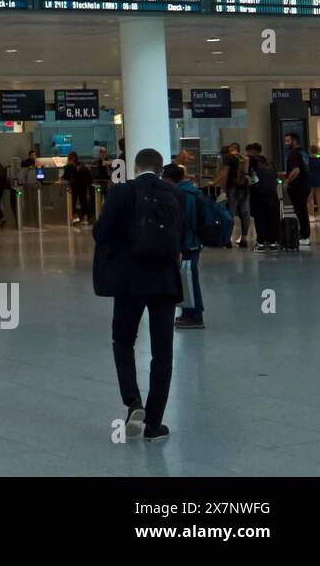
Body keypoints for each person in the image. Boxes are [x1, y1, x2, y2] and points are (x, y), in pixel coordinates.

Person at [93, 147, 185, 442]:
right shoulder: (175, 193)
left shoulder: (122, 192)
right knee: (163, 352)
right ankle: (154, 424)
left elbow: (101, 233)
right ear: (160, 169)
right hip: (164, 283)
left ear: (135, 167)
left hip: (129, 282)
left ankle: (133, 402)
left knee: (123, 339)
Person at [163, 163, 206, 329]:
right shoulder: (190, 191)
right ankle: (189, 312)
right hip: (193, 241)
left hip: (190, 242)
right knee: (188, 279)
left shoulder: (182, 194)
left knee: (190, 279)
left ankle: (195, 316)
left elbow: (183, 221)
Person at [212, 143, 250, 249]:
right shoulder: (244, 158)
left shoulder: (228, 158)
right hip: (244, 188)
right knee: (244, 213)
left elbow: (225, 173)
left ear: (232, 148)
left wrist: (217, 184)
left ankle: (227, 240)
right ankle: (244, 239)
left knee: (230, 213)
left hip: (232, 188)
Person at [245, 142, 280, 251]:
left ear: (252, 151)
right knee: (272, 218)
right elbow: (276, 177)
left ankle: (260, 243)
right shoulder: (269, 162)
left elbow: (251, 178)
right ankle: (273, 242)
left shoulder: (251, 161)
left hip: (258, 194)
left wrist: (248, 181)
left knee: (260, 219)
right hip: (272, 195)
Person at [282, 132, 311, 248]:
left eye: (288, 141)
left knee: (301, 211)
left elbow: (296, 170)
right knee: (302, 210)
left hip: (297, 187)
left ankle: (305, 236)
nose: (285, 144)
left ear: (294, 141)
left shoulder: (293, 154)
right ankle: (305, 234)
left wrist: (287, 182)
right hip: (305, 185)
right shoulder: (303, 152)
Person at [64, 151, 93, 224]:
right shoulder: (82, 166)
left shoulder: (68, 167)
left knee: (72, 202)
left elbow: (66, 177)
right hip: (83, 186)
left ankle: (74, 218)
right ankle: (85, 218)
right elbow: (88, 177)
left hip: (74, 187)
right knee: (83, 202)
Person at [308, 145, 320, 219]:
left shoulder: (308, 159)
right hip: (318, 179)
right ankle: (319, 215)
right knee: (319, 197)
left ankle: (311, 215)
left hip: (310, 179)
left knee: (310, 198)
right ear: (317, 151)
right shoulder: (319, 159)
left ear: (310, 151)